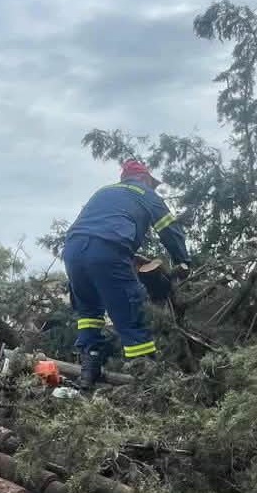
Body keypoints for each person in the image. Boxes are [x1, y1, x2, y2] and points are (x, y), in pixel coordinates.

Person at [63, 159, 192, 389]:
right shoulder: (144, 193)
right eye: (151, 183)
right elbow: (168, 228)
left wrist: (128, 256)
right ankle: (148, 381)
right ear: (143, 178)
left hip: (73, 252)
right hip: (106, 251)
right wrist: (183, 261)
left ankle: (88, 373)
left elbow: (98, 229)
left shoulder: (104, 192)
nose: (152, 187)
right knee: (130, 312)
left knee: (89, 313)